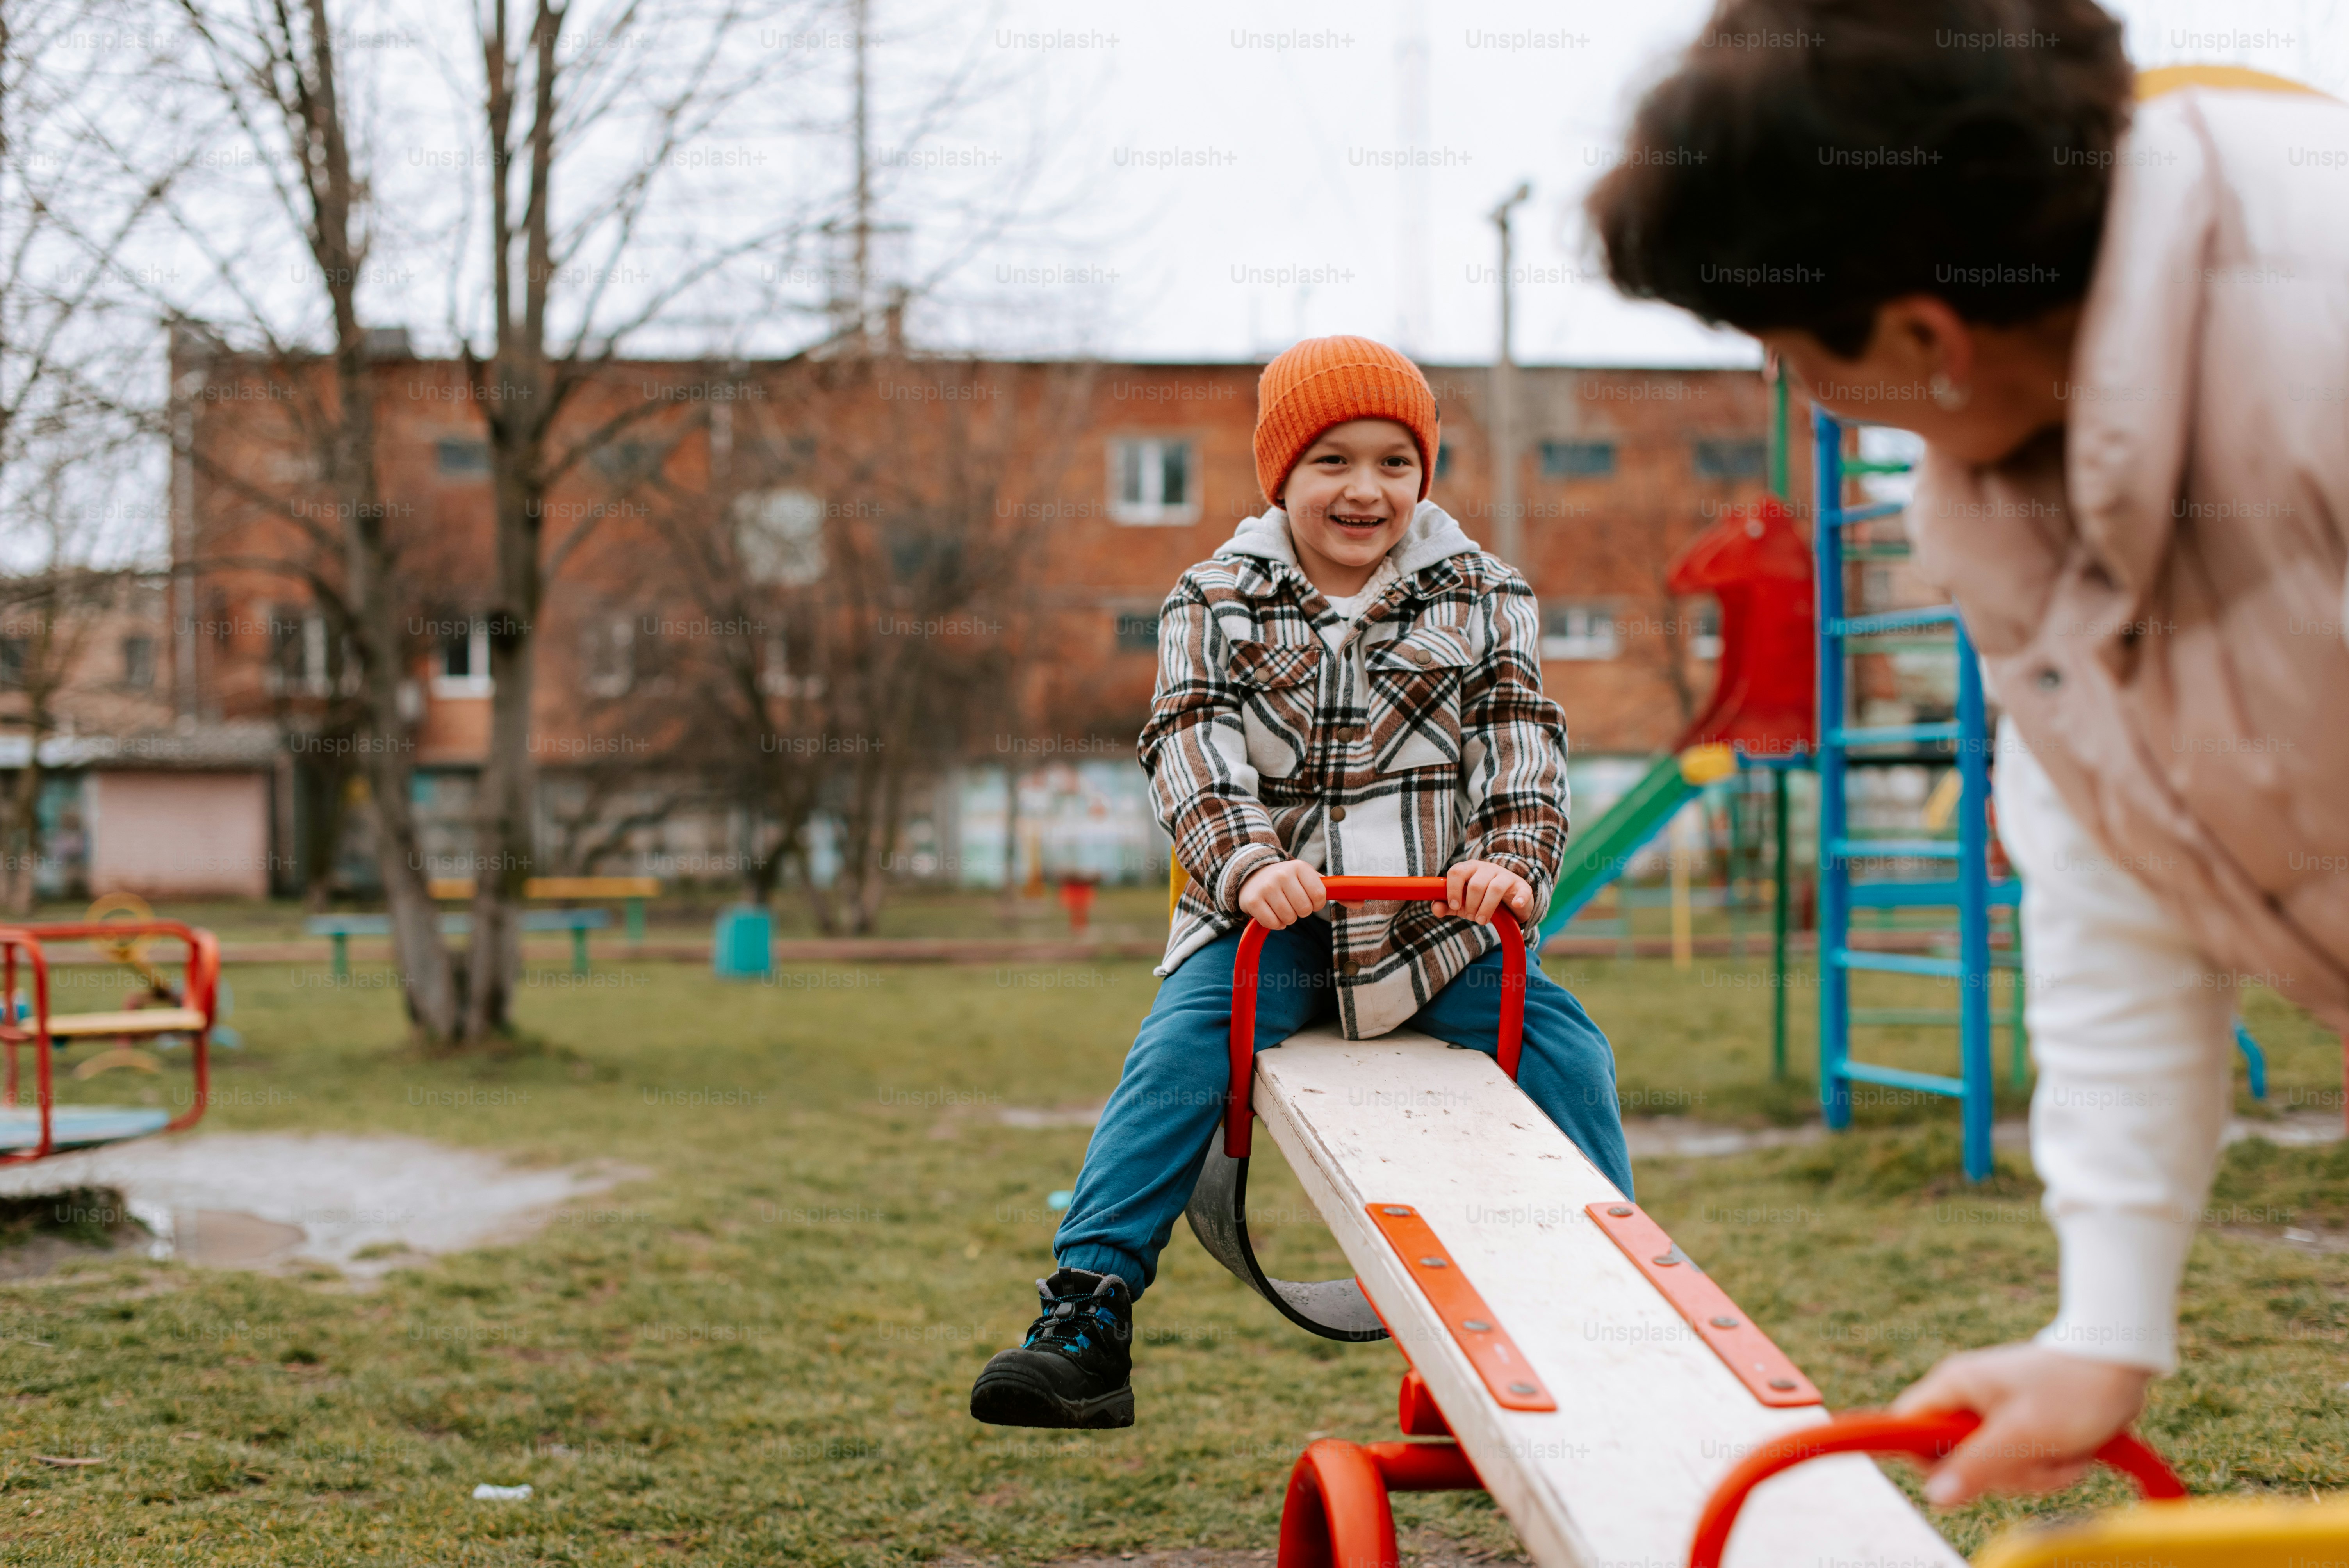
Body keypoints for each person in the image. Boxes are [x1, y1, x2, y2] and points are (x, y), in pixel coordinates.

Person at [1586, 0, 2349, 1506]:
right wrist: (2108, 1323)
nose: (1801, 394)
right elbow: (2114, 882)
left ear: (1928, 334)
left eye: (1790, 351)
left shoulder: (2315, 323)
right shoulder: (2002, 505)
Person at [968, 335, 1634, 1430]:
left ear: (1426, 473)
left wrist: (1507, 864)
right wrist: (1248, 865)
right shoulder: (1216, 599)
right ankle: (1089, 1314)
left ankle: (1602, 1295)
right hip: (1274, 930)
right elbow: (1188, 745)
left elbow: (1523, 743)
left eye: (1393, 462)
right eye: (1332, 461)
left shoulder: (1484, 593)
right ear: (1280, 474)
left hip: (1434, 935)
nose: (1365, 489)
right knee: (1178, 1051)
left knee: (1568, 1052)